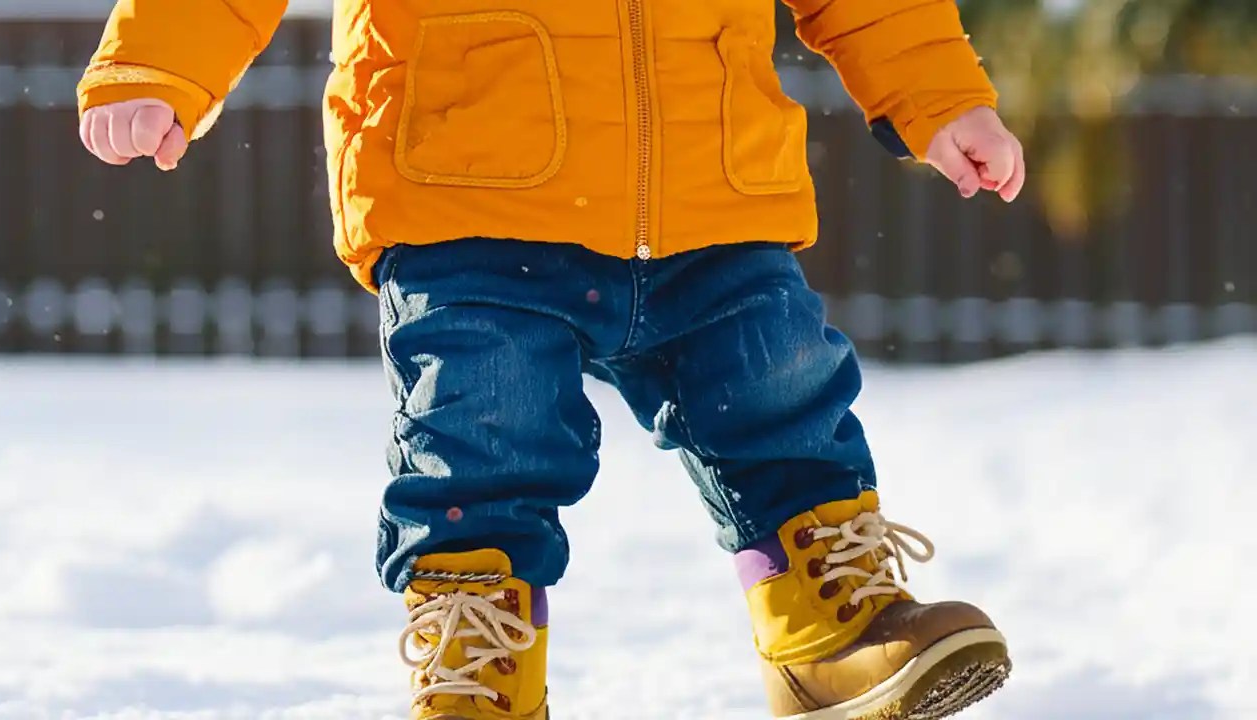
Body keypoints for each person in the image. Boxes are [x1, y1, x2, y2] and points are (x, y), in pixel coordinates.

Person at [77, 1, 1025, 718]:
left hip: (714, 186)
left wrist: (939, 98)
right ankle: (478, 659)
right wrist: (156, 62)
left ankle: (828, 629)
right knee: (486, 433)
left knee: (779, 393)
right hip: (471, 187)